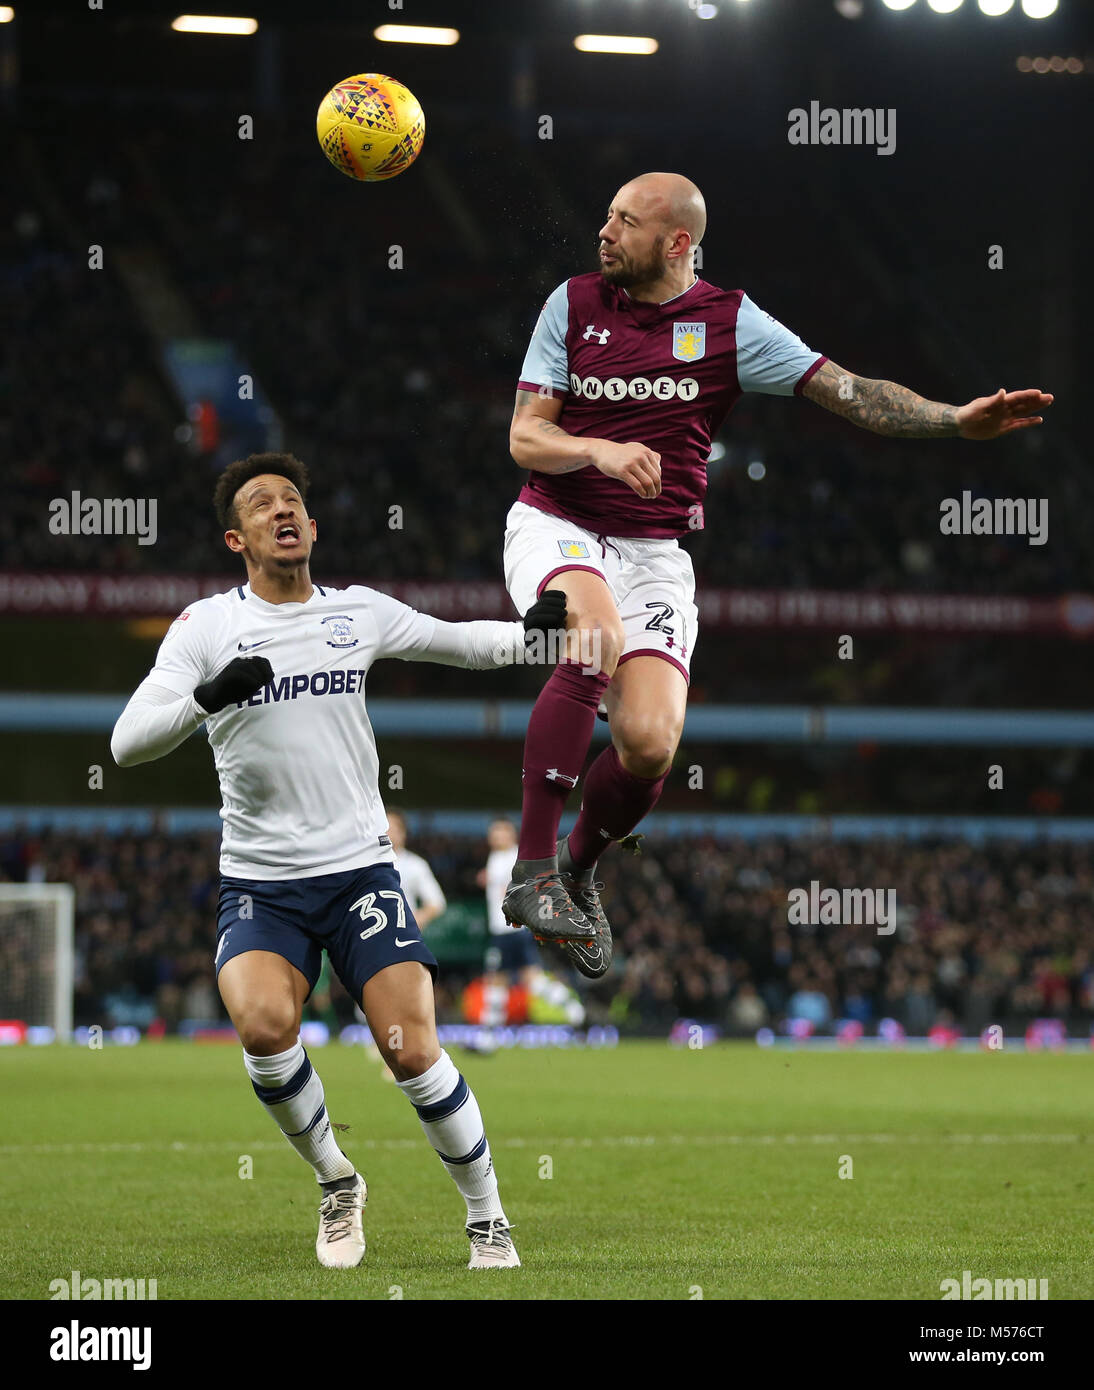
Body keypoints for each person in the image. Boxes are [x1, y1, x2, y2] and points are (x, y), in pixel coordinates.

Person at [501, 169, 1053, 981]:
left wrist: (953, 420)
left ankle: (580, 867)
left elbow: (853, 393)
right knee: (594, 635)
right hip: (559, 522)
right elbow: (524, 436)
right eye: (607, 215)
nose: (604, 232)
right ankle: (531, 871)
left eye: (624, 221)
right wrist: (599, 449)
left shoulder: (730, 324)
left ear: (676, 243)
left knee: (650, 746)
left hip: (655, 552)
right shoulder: (573, 304)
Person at [110, 452, 577, 1272]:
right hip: (261, 881)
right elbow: (124, 743)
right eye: (262, 504)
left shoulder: (356, 612)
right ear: (236, 536)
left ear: (312, 526)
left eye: (293, 499)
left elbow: (451, 641)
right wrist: (206, 696)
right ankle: (337, 1180)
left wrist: (528, 636)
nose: (282, 510)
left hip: (360, 870)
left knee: (408, 1047)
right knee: (261, 1027)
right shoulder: (205, 630)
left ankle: (488, 1220)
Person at [385, 810, 446, 931]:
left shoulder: (415, 864)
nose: (387, 833)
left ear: (403, 833)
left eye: (391, 828)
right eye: (384, 828)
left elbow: (437, 902)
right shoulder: (364, 862)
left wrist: (416, 919)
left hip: (401, 935)